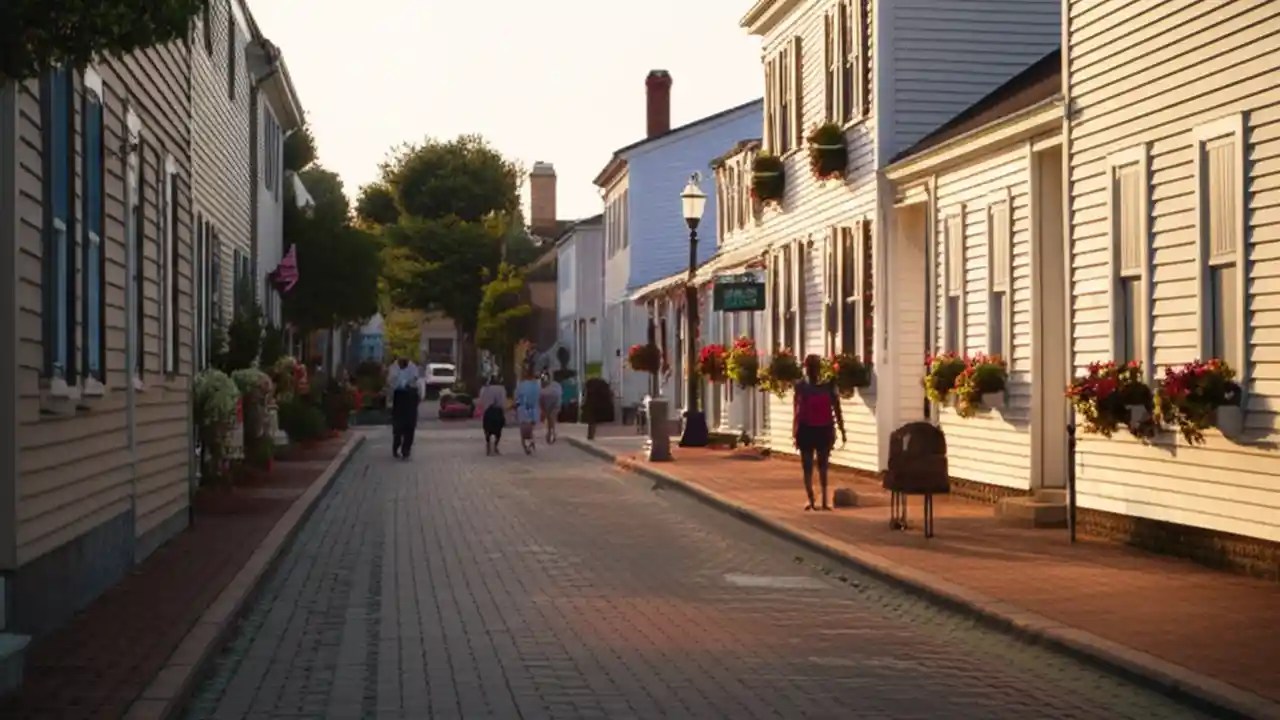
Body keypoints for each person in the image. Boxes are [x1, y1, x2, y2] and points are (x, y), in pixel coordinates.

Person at [792, 354, 846, 511]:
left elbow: (797, 411)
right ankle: (819, 500)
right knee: (820, 466)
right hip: (819, 428)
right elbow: (836, 408)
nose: (811, 370)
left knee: (811, 466)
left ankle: (815, 500)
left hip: (813, 428)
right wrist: (841, 429)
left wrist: (795, 430)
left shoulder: (803, 386)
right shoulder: (826, 386)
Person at [387, 356, 420, 459]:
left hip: (410, 397)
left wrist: (410, 385)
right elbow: (391, 382)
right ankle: (396, 446)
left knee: (410, 426)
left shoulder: (413, 368)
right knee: (398, 426)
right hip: (399, 398)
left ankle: (406, 449)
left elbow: (415, 380)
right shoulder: (394, 368)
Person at [477, 376, 508, 455]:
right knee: (498, 431)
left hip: (488, 412)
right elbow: (503, 402)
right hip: (498, 411)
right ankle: (495, 446)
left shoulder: (484, 389)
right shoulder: (501, 389)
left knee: (487, 430)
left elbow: (481, 401)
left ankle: (488, 445)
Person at [514, 366, 542, 454]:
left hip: (523, 409)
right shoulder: (537, 385)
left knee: (523, 431)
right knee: (531, 429)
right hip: (534, 410)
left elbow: (518, 398)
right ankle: (531, 442)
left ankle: (526, 446)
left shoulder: (521, 385)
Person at [539, 373, 562, 444]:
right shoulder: (541, 389)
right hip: (550, 406)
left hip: (554, 405)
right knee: (550, 419)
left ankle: (552, 433)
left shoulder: (554, 386)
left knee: (551, 418)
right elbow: (540, 401)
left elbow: (558, 396)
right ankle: (551, 432)